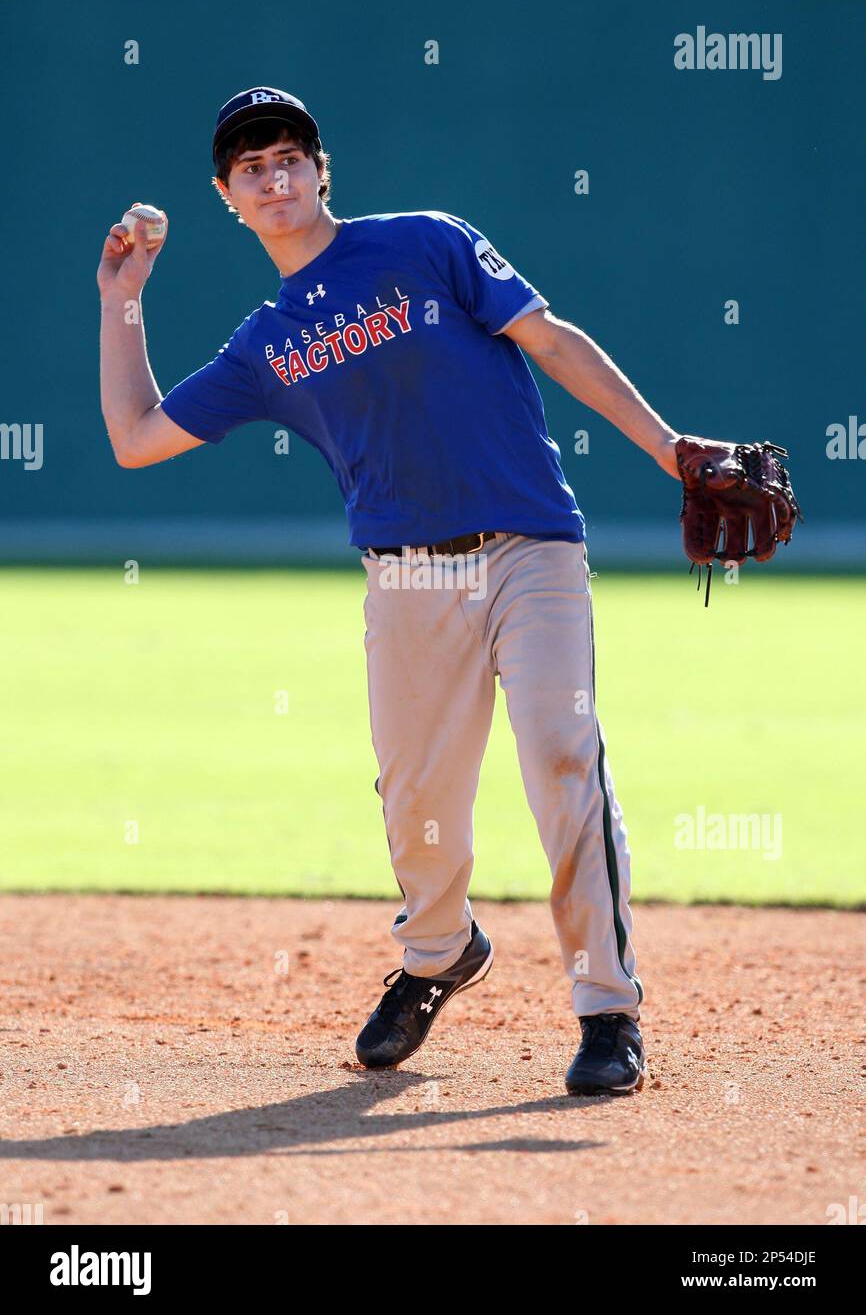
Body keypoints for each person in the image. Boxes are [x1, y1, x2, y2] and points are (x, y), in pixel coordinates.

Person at [98, 87, 686, 1097]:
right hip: (408, 578)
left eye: (289, 157)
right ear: (227, 196)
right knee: (417, 801)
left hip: (530, 551)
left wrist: (674, 452)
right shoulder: (266, 342)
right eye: (251, 168)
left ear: (322, 171)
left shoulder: (425, 242)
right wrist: (122, 295)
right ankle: (436, 955)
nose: (274, 178)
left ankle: (605, 1007)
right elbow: (136, 438)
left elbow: (550, 340)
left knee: (560, 756)